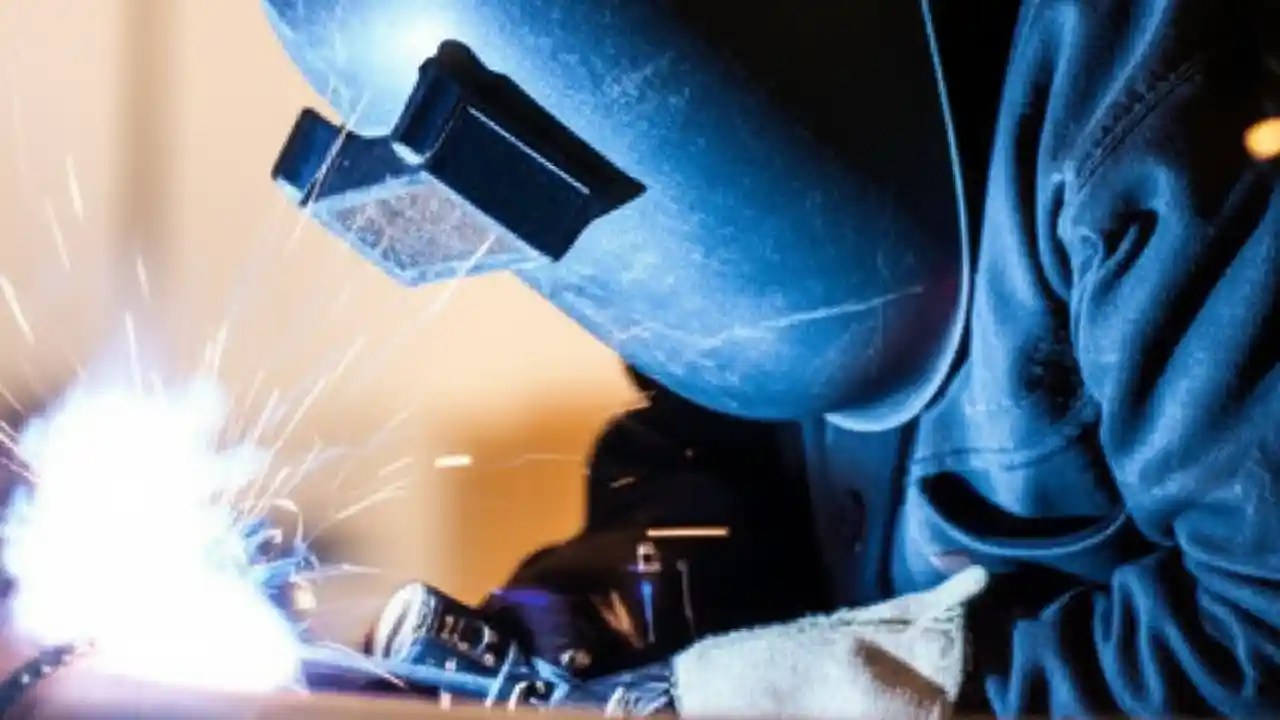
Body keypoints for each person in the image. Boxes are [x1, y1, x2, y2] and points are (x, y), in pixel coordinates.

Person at [265, 0, 1279, 716]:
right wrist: (595, 619)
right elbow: (714, 457)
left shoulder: (1150, 97)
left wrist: (790, 698)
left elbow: (1260, 644)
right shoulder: (744, 172)